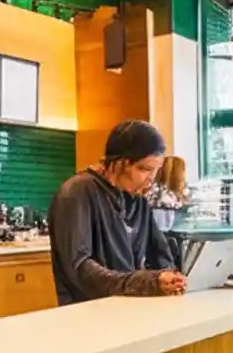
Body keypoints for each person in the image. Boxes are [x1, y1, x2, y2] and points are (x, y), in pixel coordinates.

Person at [48, 120, 185, 304]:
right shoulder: (76, 193)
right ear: (120, 163)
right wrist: (146, 282)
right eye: (145, 169)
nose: (150, 180)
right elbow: (80, 269)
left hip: (127, 308)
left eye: (155, 171)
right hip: (86, 315)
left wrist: (172, 279)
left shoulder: (138, 200)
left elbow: (161, 256)